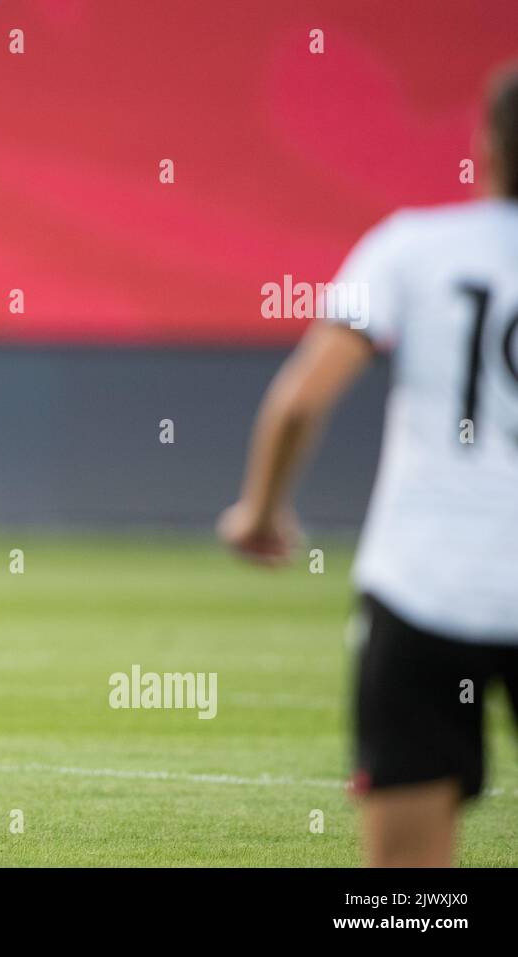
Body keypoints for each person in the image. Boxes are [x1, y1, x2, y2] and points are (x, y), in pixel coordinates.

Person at [219, 66, 518, 867]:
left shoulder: (411, 246)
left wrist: (259, 512)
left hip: (423, 589)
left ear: (486, 144)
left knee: (407, 899)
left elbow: (298, 403)